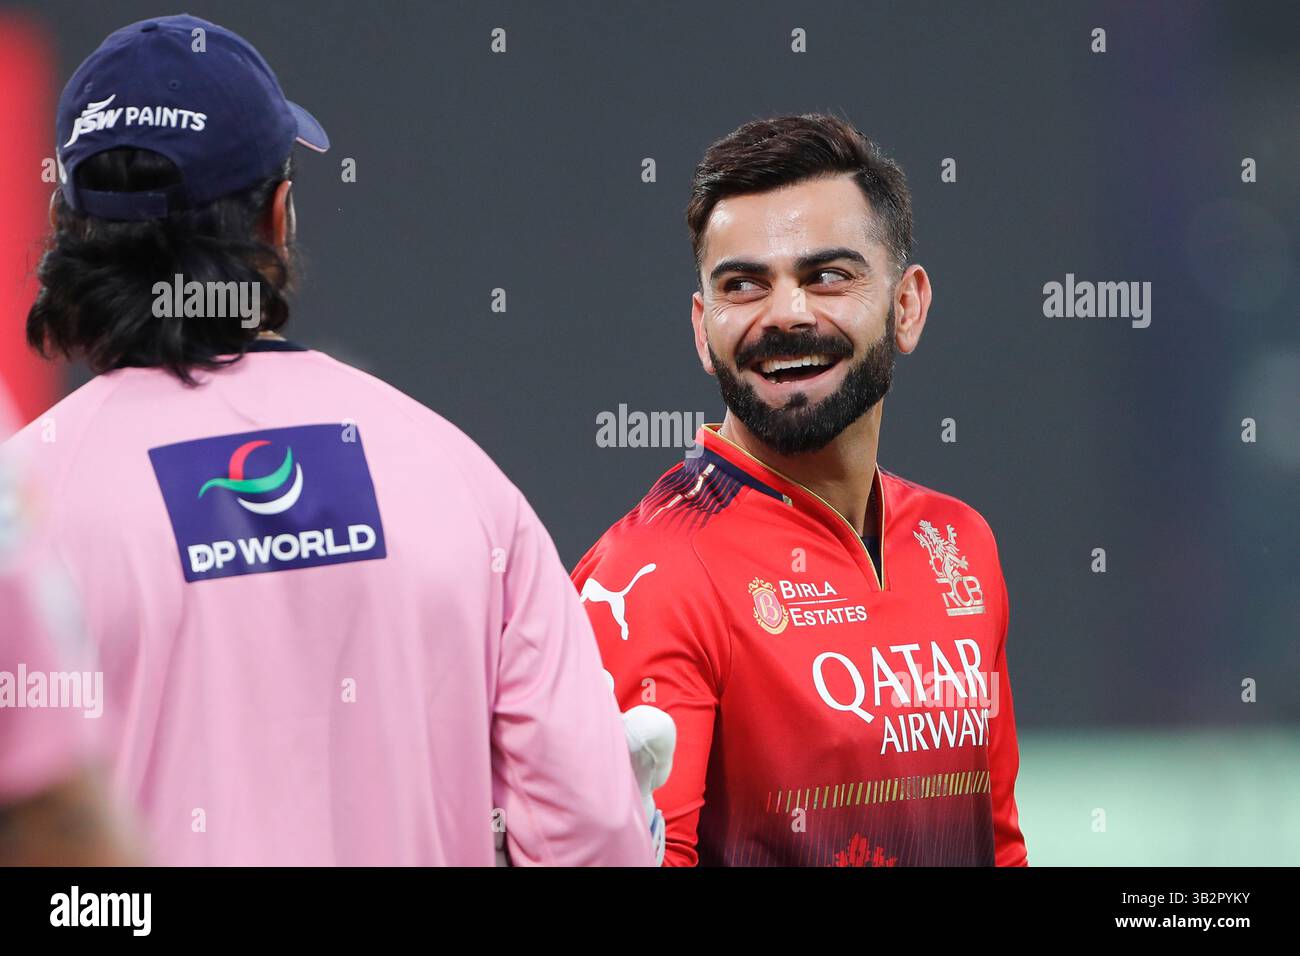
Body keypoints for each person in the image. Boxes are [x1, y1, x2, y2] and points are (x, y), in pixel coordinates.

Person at [8, 14, 653, 866]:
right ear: (277, 217)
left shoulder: (23, 507)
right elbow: (595, 836)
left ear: (65, 222)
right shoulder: (455, 476)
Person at [573, 114, 1028, 866]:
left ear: (907, 307)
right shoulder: (650, 579)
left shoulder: (960, 542)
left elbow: (1000, 847)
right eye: (744, 285)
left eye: (828, 276)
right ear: (702, 328)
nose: (785, 314)